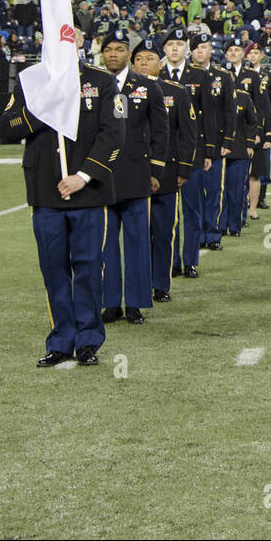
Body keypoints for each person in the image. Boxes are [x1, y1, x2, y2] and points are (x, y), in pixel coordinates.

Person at [0, 44, 124, 367]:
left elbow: (114, 135)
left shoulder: (102, 81)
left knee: (88, 269)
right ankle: (60, 340)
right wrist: (43, 105)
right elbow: (8, 129)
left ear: (80, 42)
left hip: (87, 192)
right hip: (45, 191)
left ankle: (87, 341)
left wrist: (83, 176)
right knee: (53, 270)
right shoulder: (30, 81)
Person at [99, 30, 167, 326]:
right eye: (108, 49)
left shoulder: (147, 86)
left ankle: (136, 303)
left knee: (138, 242)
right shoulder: (92, 85)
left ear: (129, 54)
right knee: (105, 245)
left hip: (137, 173)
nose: (113, 54)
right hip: (101, 175)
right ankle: (111, 303)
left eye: (118, 49)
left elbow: (160, 131)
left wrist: (156, 170)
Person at [134, 37, 196, 304]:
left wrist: (184, 167)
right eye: (138, 59)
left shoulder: (176, 91)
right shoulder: (120, 92)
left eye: (149, 58)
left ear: (159, 63)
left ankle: (160, 283)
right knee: (137, 234)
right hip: (132, 173)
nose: (144, 63)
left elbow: (187, 134)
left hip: (167, 172)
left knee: (162, 231)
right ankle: (138, 284)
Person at [163, 29, 203, 276]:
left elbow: (206, 116)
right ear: (164, 48)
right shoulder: (153, 74)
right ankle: (171, 262)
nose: (175, 48)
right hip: (163, 156)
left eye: (179, 44)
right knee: (167, 214)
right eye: (170, 44)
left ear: (186, 48)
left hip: (191, 154)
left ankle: (189, 261)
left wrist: (207, 153)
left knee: (191, 210)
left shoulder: (199, 74)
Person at [189, 36, 234, 254]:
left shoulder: (223, 76)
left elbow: (229, 110)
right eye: (196, 47)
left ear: (210, 51)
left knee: (215, 190)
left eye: (204, 47)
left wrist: (228, 140)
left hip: (216, 142)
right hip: (191, 144)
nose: (200, 51)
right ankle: (196, 234)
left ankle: (213, 233)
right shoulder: (185, 77)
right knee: (194, 193)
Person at [224, 44, 261, 237]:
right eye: (229, 50)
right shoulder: (219, 76)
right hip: (221, 147)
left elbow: (256, 110)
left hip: (240, 143)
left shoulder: (252, 77)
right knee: (219, 191)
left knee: (238, 187)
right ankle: (220, 224)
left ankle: (239, 220)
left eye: (237, 50)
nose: (233, 53)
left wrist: (252, 139)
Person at [243, 44, 271, 219]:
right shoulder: (239, 75)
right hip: (243, 125)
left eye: (256, 53)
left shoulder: (269, 76)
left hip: (263, 125)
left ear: (262, 55)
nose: (253, 56)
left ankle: (260, 198)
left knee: (261, 165)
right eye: (250, 53)